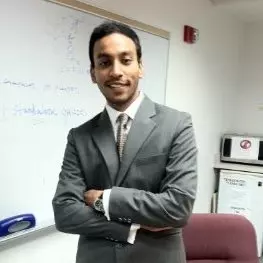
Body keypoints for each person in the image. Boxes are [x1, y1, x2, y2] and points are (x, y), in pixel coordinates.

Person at [52, 20, 198, 263]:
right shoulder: (79, 136)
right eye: (104, 62)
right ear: (93, 73)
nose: (116, 71)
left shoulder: (177, 124)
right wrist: (128, 229)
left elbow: (178, 207)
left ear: (140, 67)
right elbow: (65, 213)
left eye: (126, 60)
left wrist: (104, 199)